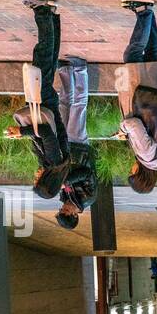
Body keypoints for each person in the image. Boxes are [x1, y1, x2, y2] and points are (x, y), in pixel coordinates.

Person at [5, 0, 70, 200]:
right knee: (42, 57)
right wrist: (21, 132)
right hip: (44, 105)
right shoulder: (54, 161)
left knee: (48, 61)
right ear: (46, 180)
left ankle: (50, 15)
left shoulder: (57, 163)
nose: (35, 176)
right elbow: (46, 133)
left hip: (47, 106)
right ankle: (41, 10)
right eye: (37, 180)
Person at [113, 0, 157, 195]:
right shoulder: (146, 155)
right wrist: (122, 129)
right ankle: (144, 12)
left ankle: (149, 15)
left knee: (151, 56)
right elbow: (134, 125)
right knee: (132, 56)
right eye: (132, 173)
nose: (130, 169)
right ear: (139, 174)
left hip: (155, 100)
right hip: (141, 99)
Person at [55, 56, 97, 230]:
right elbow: (87, 174)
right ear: (73, 214)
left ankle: (65, 71)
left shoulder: (65, 196)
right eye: (65, 211)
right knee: (78, 106)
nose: (63, 207)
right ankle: (80, 70)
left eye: (60, 210)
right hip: (80, 149)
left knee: (64, 105)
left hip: (65, 148)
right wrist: (66, 181)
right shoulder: (88, 198)